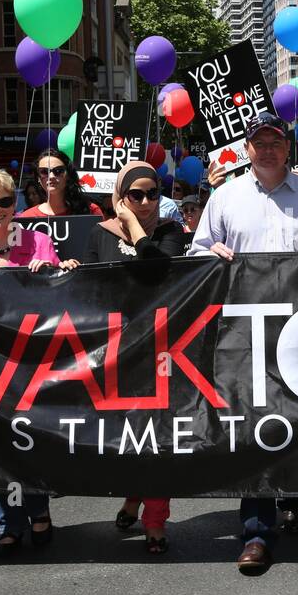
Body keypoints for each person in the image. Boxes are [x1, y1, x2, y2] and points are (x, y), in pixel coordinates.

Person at [189, 112, 298, 573]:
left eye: (276, 141)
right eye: (259, 142)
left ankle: (294, 500)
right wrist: (208, 252)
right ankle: (256, 532)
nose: (268, 149)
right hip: (245, 332)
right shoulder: (226, 197)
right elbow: (197, 249)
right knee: (254, 424)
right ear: (247, 147)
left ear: (288, 145)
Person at [0, 166, 78, 557]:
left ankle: (39, 511)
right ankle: (8, 522)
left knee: (31, 438)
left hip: (33, 361)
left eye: (6, 201)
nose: (0, 210)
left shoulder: (38, 243)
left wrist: (54, 271)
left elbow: (61, 298)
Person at [85, 161, 191, 554]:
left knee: (157, 434)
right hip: (113, 349)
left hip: (162, 346)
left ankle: (155, 521)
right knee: (126, 433)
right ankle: (133, 494)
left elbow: (155, 269)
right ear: (121, 195)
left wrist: (131, 222)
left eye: (152, 194)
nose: (146, 201)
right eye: (135, 195)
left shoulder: (170, 231)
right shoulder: (99, 233)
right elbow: (89, 286)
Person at [19, 151, 102, 218]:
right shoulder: (26, 217)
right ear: (38, 178)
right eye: (44, 171)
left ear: (68, 175)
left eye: (58, 171)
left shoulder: (91, 211)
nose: (51, 176)